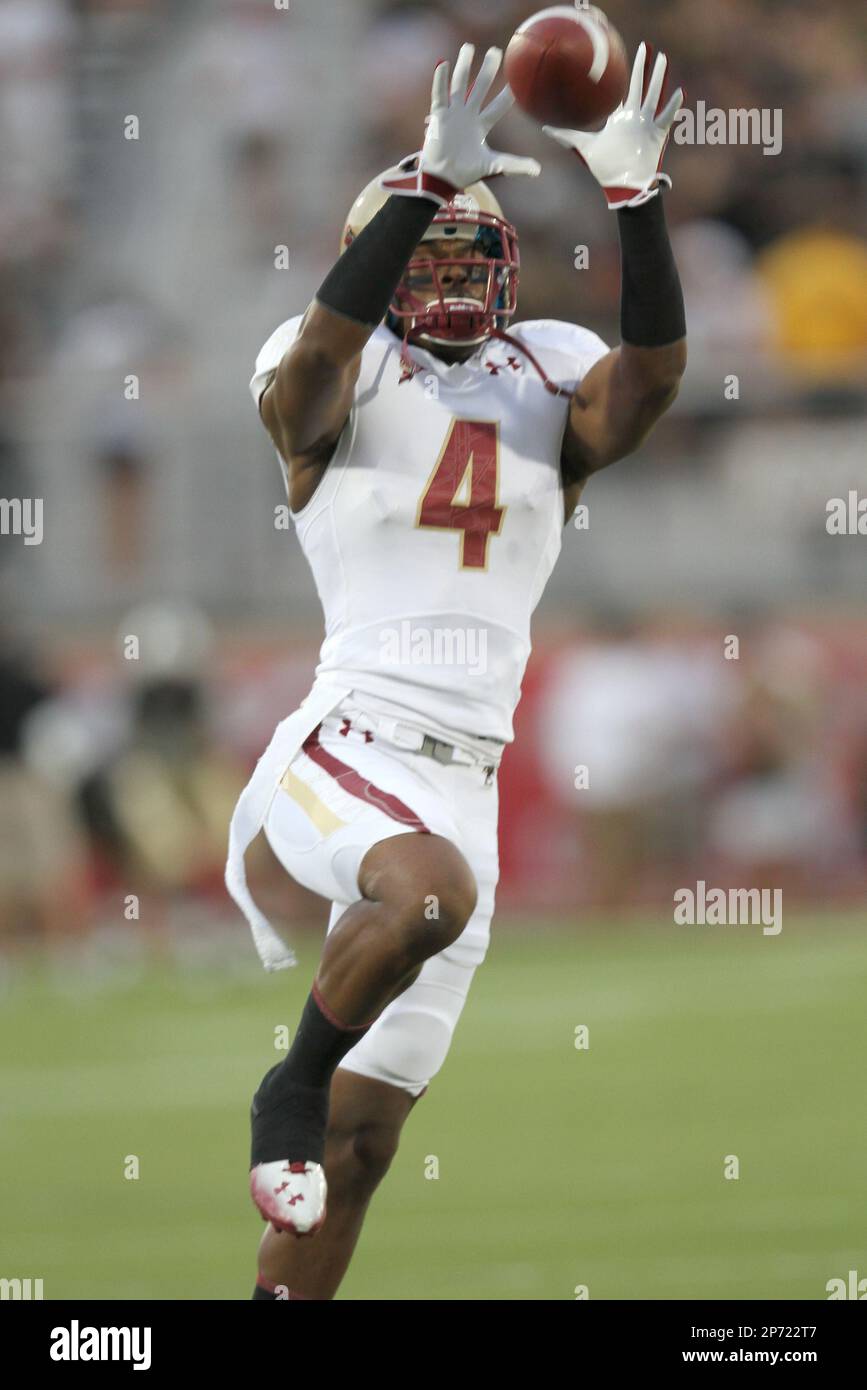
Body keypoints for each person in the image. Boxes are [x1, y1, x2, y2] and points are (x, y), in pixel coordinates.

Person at [225, 41, 687, 1299]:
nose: (441, 283)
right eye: (419, 256)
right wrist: (426, 183)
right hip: (351, 741)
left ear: (508, 268)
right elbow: (306, 382)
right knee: (428, 894)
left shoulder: (540, 367)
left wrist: (640, 207)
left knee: (363, 1149)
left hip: (467, 772)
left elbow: (646, 386)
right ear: (373, 262)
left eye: (462, 256)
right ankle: (289, 1079)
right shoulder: (339, 365)